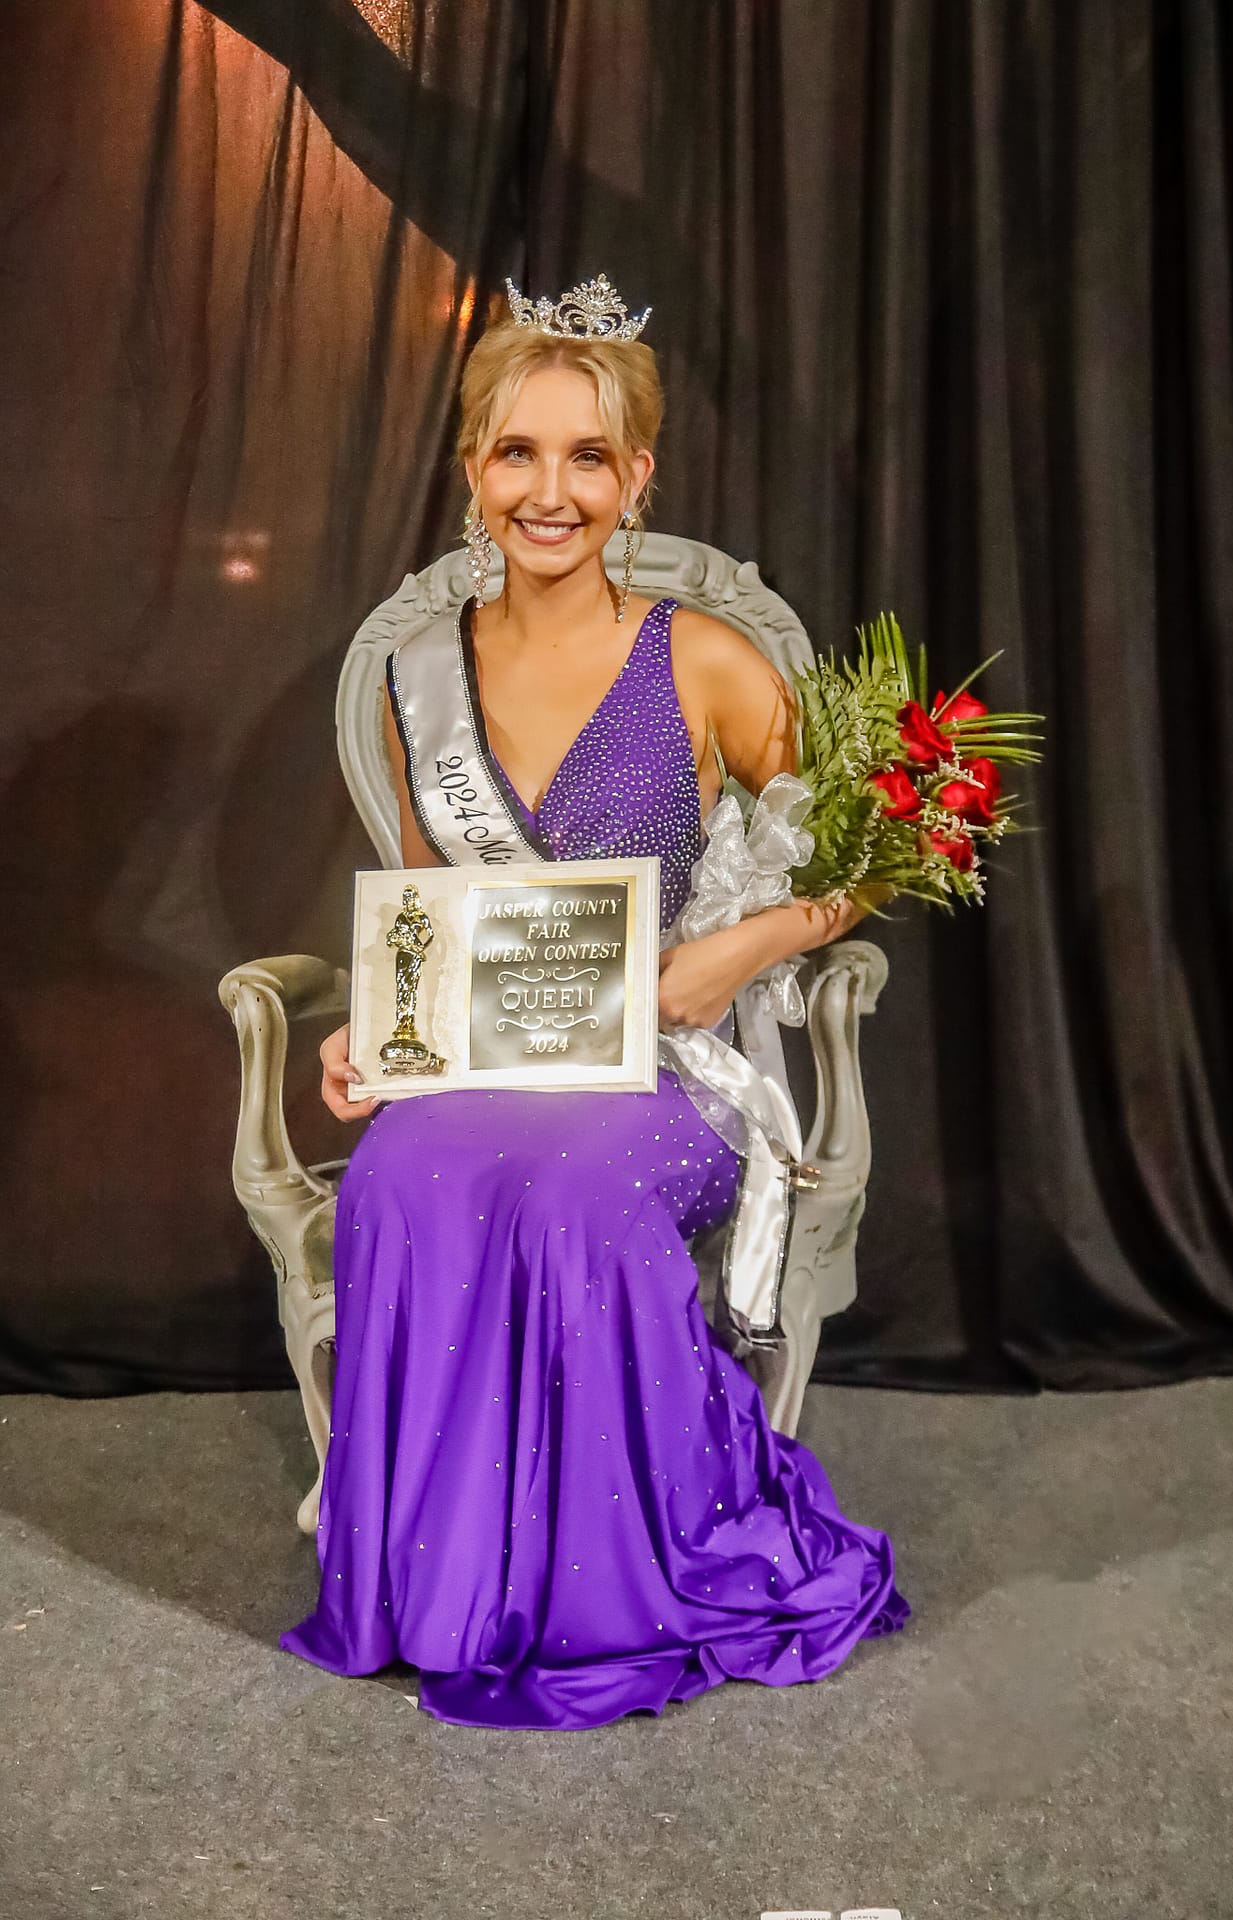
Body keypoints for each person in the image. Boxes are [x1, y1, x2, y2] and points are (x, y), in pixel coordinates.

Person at [280, 274, 909, 1730]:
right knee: (395, 1180)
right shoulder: (415, 675)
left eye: (585, 457)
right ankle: (435, 1593)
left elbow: (895, 830)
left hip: (662, 1072)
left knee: (567, 1196)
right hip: (495, 1065)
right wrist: (378, 1034)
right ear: (473, 472)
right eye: (518, 453)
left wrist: (737, 953)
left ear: (637, 479)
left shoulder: (704, 657)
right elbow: (438, 909)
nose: (548, 491)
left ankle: (606, 1588)